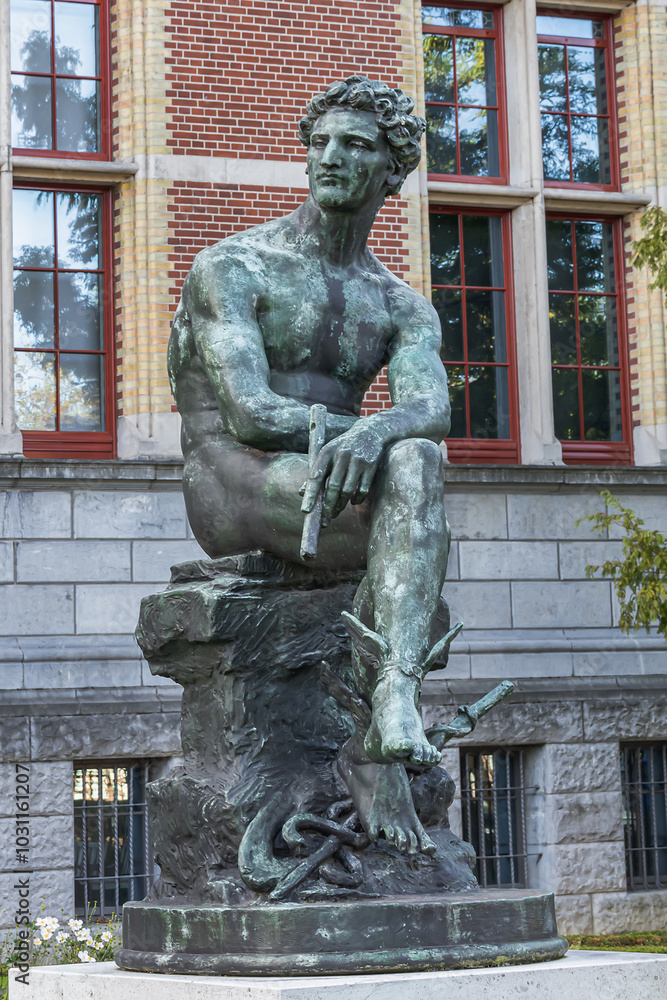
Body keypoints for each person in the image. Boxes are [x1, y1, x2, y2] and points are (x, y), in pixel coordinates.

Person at [168, 76, 452, 857]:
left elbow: (430, 412)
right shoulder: (234, 267)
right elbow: (250, 412)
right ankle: (380, 723)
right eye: (320, 141)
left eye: (355, 145)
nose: (330, 157)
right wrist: (356, 432)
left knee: (419, 460)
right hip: (237, 483)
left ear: (390, 172)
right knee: (408, 474)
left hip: (325, 485)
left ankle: (387, 707)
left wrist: (375, 437)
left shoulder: (398, 302)